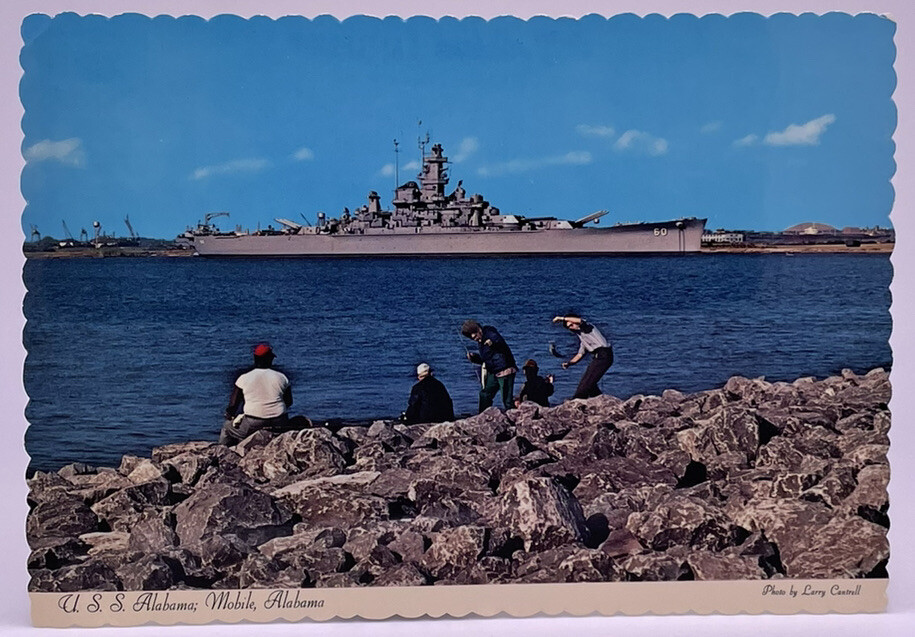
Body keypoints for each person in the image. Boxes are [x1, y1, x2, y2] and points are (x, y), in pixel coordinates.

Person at [219, 343, 293, 445]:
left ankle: (221, 453)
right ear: (269, 359)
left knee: (227, 427)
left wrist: (229, 415)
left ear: (255, 359)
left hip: (253, 423)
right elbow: (289, 401)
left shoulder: (244, 378)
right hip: (279, 421)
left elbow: (233, 405)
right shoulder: (282, 377)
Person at [552, 314, 613, 399]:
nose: (571, 327)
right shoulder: (581, 337)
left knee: (585, 383)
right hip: (599, 357)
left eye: (572, 324)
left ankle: (578, 401)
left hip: (603, 355)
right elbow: (580, 354)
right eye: (569, 327)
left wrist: (561, 318)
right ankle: (601, 401)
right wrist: (569, 363)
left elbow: (580, 321)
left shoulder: (588, 327)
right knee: (591, 384)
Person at [461, 319, 517, 411]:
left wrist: (492, 343)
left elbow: (499, 341)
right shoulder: (481, 342)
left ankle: (514, 417)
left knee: (507, 400)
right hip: (494, 371)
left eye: (475, 337)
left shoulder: (489, 332)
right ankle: (483, 415)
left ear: (478, 330)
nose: (475, 339)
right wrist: (474, 358)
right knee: (485, 394)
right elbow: (486, 360)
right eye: (472, 339)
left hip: (505, 369)